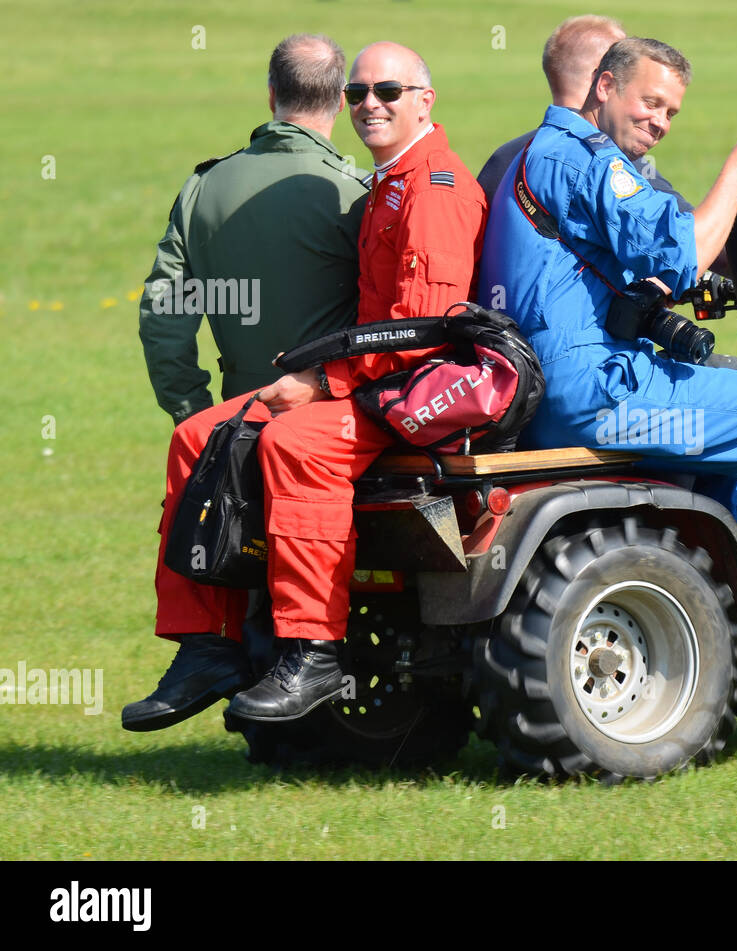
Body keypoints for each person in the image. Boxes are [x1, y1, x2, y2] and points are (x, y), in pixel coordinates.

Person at [478, 38, 737, 683]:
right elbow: (679, 256)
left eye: (671, 112)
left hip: (549, 392)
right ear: (605, 86)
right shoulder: (591, 160)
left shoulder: (534, 155)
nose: (660, 122)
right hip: (601, 398)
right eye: (649, 102)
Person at [122, 41, 486, 731]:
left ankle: (311, 648)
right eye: (357, 94)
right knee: (196, 437)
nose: (369, 104)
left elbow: (419, 333)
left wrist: (320, 381)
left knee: (293, 443)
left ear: (425, 101)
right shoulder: (386, 182)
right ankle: (206, 647)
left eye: (387, 92)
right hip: (366, 383)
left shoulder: (433, 185)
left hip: (403, 396)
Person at [139, 34, 367, 425]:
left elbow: (164, 314)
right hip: (338, 434)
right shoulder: (361, 195)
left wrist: (193, 415)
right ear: (342, 100)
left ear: (271, 94)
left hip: (235, 428)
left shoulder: (202, 187)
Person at [476, 15, 690, 215]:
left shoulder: (503, 159)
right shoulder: (610, 164)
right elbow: (693, 245)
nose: (661, 123)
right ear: (604, 81)